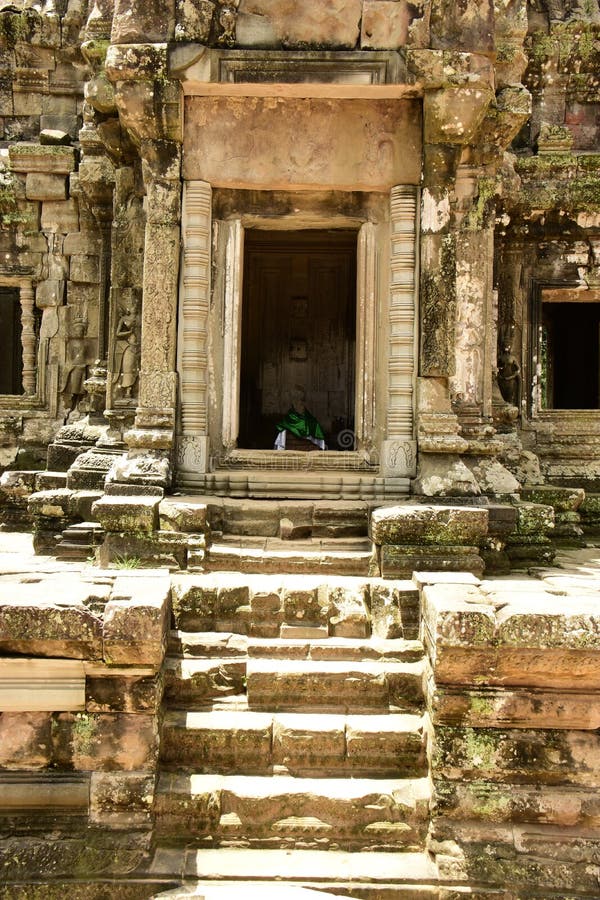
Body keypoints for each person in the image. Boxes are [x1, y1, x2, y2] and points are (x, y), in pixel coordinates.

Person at [275, 386, 326, 450]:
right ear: (292, 401)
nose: (299, 402)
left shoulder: (312, 422)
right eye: (295, 399)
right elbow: (281, 445)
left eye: (302, 399)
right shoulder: (286, 421)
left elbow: (319, 444)